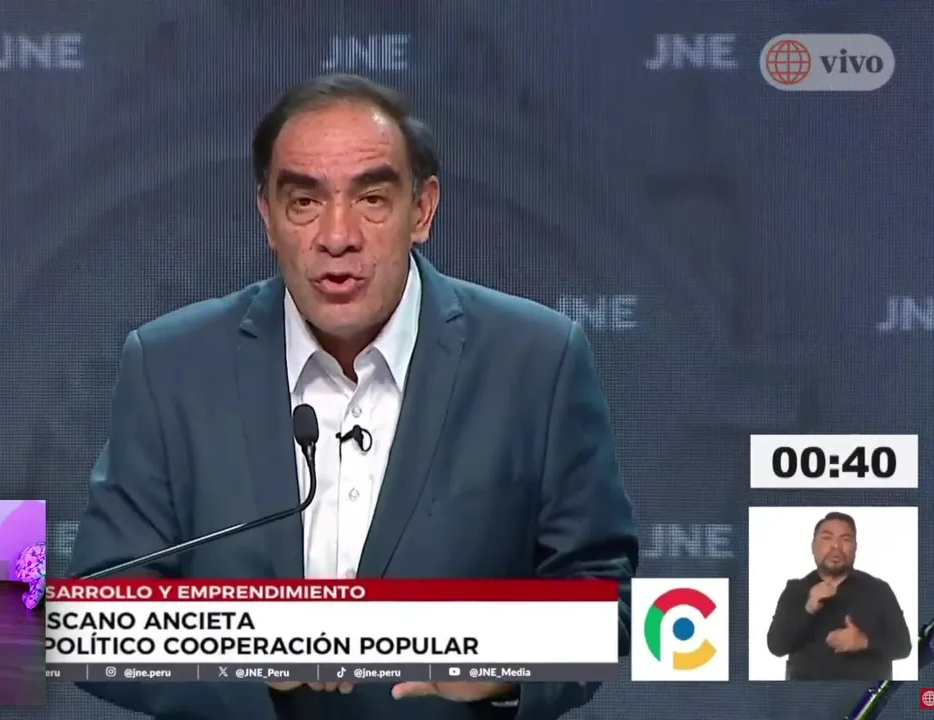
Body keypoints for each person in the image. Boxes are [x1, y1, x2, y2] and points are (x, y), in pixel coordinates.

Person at [69, 73, 638, 720]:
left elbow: (605, 597)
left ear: (422, 211)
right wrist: (250, 653)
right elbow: (95, 615)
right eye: (303, 202)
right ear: (267, 217)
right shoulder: (171, 365)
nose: (337, 236)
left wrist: (501, 665)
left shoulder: (538, 360)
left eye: (371, 199)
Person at [765, 512, 912, 681]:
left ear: (855, 548)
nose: (836, 546)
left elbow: (903, 647)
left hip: (866, 692)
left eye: (845, 539)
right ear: (813, 546)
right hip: (806, 693)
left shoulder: (878, 589)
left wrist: (864, 642)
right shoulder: (796, 590)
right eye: (827, 538)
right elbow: (776, 647)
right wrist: (808, 609)